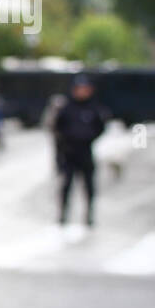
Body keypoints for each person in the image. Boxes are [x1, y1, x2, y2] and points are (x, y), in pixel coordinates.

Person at [52, 75, 110, 226]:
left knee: (89, 186)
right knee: (66, 185)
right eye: (79, 89)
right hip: (69, 153)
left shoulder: (94, 108)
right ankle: (63, 214)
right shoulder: (67, 108)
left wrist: (89, 137)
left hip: (86, 152)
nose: (82, 92)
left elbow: (101, 127)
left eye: (85, 89)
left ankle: (89, 215)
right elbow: (57, 128)